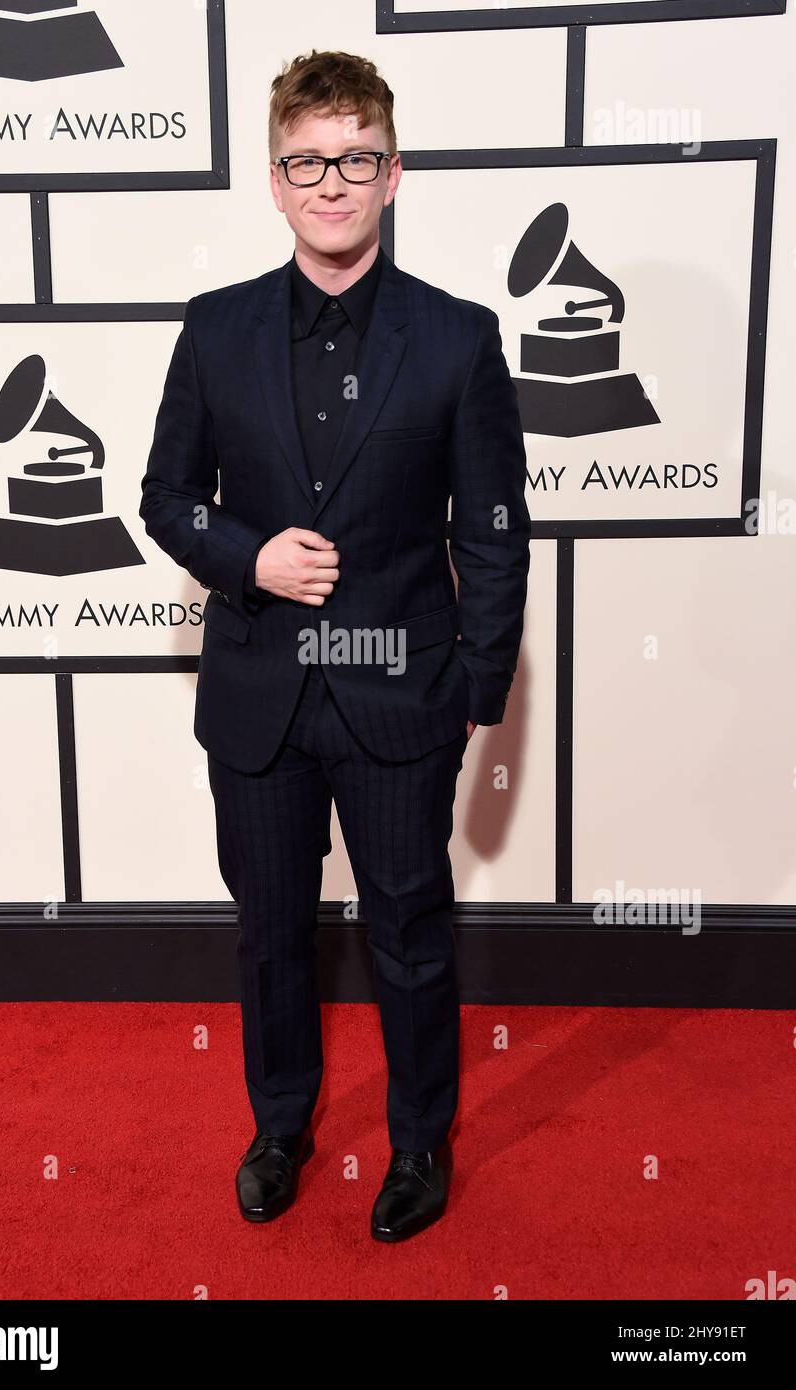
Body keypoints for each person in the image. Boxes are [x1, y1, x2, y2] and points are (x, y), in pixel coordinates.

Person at [139, 49, 530, 1243]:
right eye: (308, 161)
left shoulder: (459, 340)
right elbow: (164, 496)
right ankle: (281, 1123)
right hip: (258, 690)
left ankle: (419, 1142)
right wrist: (247, 554)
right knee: (269, 931)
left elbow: (498, 525)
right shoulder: (214, 330)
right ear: (275, 180)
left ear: (391, 172)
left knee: (408, 927)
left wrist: (477, 682)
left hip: (402, 696)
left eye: (355, 159)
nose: (331, 182)